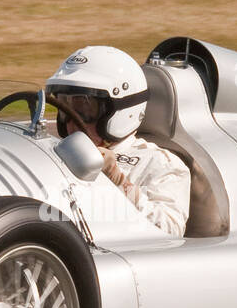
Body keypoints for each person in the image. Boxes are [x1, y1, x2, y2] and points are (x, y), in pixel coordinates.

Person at [44, 46, 190, 237]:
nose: (71, 121)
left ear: (121, 112)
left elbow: (170, 230)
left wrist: (117, 178)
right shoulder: (55, 150)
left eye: (84, 108)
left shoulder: (160, 163)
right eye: (65, 108)